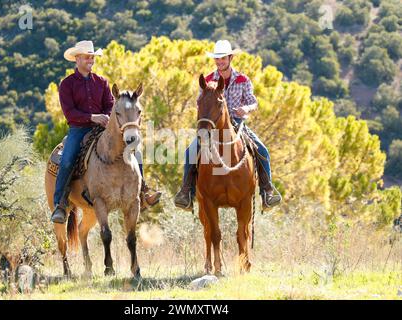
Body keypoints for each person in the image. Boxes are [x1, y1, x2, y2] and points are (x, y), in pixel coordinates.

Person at [51, 40, 161, 224]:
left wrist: (107, 118)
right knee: (68, 158)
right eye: (87, 57)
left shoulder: (102, 82)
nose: (90, 60)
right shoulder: (67, 85)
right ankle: (60, 204)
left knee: (136, 150)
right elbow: (69, 112)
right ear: (77, 59)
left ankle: (143, 191)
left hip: (104, 128)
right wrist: (92, 117)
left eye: (92, 57)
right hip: (79, 129)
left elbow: (111, 106)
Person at [174, 40, 282, 210]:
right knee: (190, 152)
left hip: (237, 125)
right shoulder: (208, 79)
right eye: (217, 59)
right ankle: (186, 192)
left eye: (223, 58)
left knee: (262, 150)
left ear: (230, 58)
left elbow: (253, 102)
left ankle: (267, 192)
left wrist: (245, 108)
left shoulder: (242, 79)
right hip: (212, 126)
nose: (219, 62)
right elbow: (200, 101)